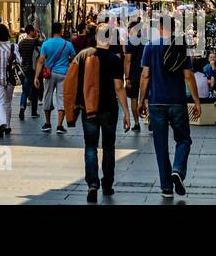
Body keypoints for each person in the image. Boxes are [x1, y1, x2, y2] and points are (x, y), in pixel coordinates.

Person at [65, 22, 129, 202]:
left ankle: (92, 184)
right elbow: (119, 87)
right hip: (109, 109)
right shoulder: (114, 59)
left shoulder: (84, 56)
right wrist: (126, 112)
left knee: (90, 146)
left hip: (88, 109)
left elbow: (71, 81)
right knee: (109, 147)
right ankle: (107, 184)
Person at [137, 20, 202, 199]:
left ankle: (166, 187)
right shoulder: (181, 46)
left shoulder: (150, 47)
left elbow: (145, 75)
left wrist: (141, 100)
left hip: (156, 102)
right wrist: (196, 101)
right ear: (174, 28)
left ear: (158, 28)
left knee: (160, 145)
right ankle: (178, 170)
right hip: (177, 102)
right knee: (183, 140)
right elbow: (188, 75)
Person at [33, 22, 75, 133]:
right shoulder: (68, 44)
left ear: (52, 31)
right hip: (63, 74)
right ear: (61, 31)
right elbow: (75, 59)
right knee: (62, 98)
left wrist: (36, 77)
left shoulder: (46, 44)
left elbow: (41, 61)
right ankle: (59, 126)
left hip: (49, 74)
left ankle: (47, 123)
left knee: (47, 96)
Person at [16, 24, 42, 121]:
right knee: (35, 91)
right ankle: (34, 112)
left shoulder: (21, 43)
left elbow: (20, 56)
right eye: (34, 31)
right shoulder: (36, 42)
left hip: (24, 69)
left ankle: (22, 107)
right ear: (31, 32)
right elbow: (40, 54)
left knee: (24, 91)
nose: (36, 32)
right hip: (34, 70)